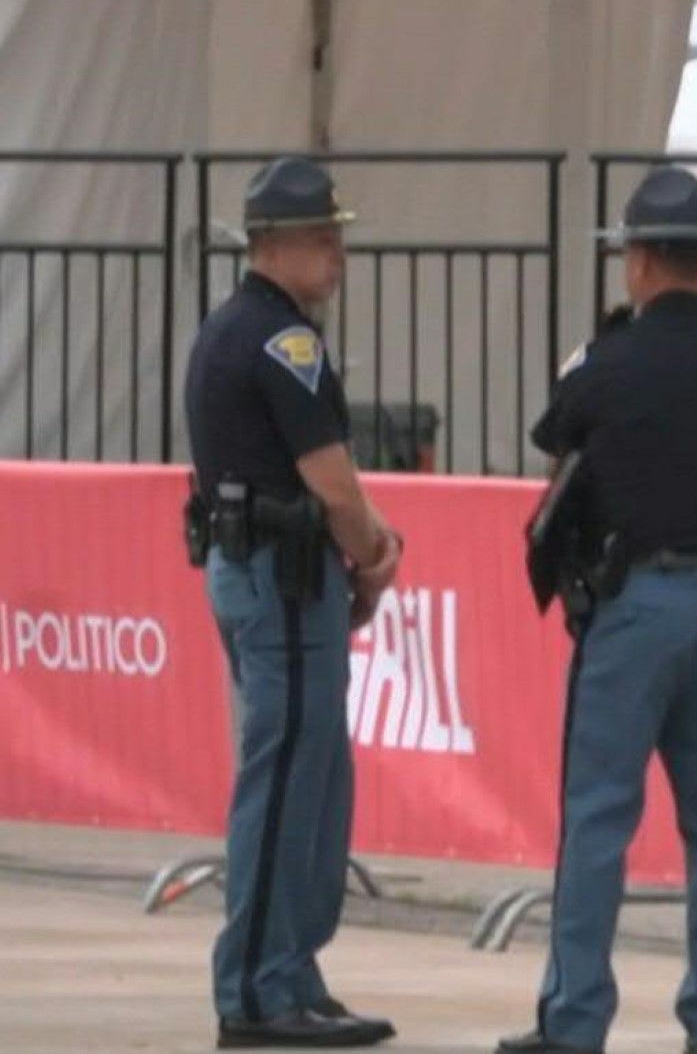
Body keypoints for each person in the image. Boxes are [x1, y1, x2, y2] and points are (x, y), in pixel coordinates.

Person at [496, 167, 697, 1054]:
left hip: (636, 608)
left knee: (597, 821)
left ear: (639, 261)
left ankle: (576, 1021)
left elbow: (559, 479)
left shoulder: (604, 365)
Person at [184, 156, 402, 1048]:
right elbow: (332, 482)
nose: (338, 253)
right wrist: (376, 552)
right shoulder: (286, 343)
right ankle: (257, 988)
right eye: (323, 237)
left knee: (310, 774)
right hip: (285, 577)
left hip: (267, 572)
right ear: (275, 244)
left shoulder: (231, 327)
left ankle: (290, 972)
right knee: (285, 781)